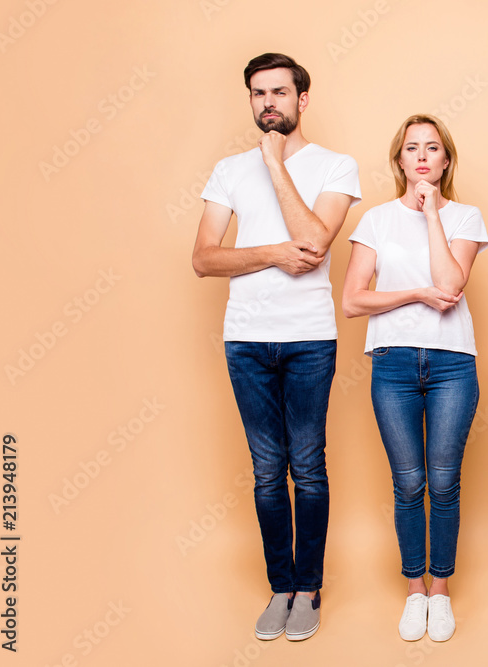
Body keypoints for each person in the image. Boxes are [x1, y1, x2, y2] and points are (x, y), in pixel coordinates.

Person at [192, 52, 361, 642]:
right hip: (246, 339)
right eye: (258, 94)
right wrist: (267, 254)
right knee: (268, 472)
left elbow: (315, 239)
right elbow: (204, 258)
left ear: (302, 100)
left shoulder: (337, 166)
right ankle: (280, 587)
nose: (268, 103)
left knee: (308, 467)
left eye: (279, 93)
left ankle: (310, 589)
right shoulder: (227, 170)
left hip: (310, 338)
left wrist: (274, 162)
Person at [342, 114, 488, 642]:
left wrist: (431, 216)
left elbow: (451, 283)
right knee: (408, 483)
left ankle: (440, 591)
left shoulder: (466, 216)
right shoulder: (377, 220)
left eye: (432, 148)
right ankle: (413, 590)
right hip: (395, 364)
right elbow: (354, 299)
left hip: (452, 364)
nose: (422, 156)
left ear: (446, 159)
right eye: (412, 149)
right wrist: (414, 294)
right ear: (399, 159)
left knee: (444, 482)